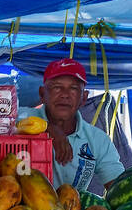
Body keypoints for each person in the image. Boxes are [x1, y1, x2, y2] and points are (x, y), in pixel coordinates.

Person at [19, 59, 124, 192]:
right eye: (57, 87)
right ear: (42, 94)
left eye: (73, 89)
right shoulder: (23, 115)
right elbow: (6, 121)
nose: (64, 95)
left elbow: (120, 188)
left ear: (84, 98)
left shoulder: (98, 140)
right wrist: (47, 128)